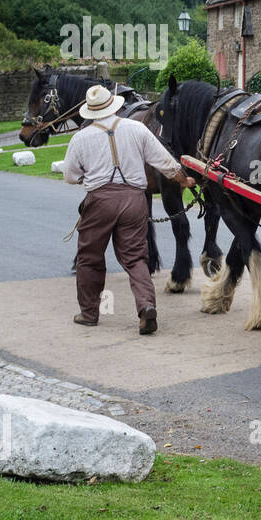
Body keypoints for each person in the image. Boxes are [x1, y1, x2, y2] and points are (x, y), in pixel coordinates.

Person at [62, 84, 195, 335]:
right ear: (114, 105)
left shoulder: (80, 138)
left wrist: (87, 176)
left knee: (89, 258)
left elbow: (69, 175)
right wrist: (184, 180)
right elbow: (165, 162)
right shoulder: (137, 129)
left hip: (99, 201)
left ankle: (89, 313)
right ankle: (146, 308)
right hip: (134, 200)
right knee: (135, 258)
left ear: (90, 111)